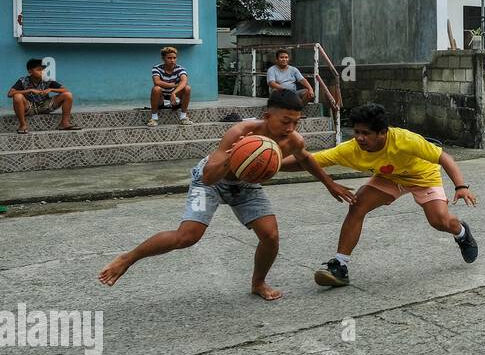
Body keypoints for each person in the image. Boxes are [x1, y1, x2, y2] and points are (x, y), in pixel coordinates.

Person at [97, 90, 353, 301]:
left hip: (245, 186)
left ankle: (258, 283)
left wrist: (330, 184)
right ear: (267, 116)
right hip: (210, 181)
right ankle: (128, 258)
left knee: (271, 236)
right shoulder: (240, 132)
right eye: (286, 121)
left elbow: (305, 159)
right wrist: (233, 157)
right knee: (187, 236)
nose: (291, 127)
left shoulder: (293, 140)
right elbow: (209, 177)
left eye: (296, 122)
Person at [281, 103, 479, 288]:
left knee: (439, 221)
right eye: (357, 132)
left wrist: (460, 186)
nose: (359, 138)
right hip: (389, 177)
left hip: (422, 176)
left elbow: (444, 157)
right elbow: (308, 161)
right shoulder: (351, 150)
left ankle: (462, 233)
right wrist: (274, 164)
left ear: (383, 133)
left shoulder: (405, 140)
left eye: (365, 133)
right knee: (358, 205)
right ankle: (339, 266)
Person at [9, 58, 76, 133]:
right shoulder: (23, 80)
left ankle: (64, 123)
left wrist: (51, 89)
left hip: (45, 105)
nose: (42, 72)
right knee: (17, 96)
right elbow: (10, 93)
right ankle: (23, 125)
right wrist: (29, 90)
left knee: (68, 95)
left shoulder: (47, 79)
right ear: (30, 71)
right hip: (29, 107)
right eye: (39, 70)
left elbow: (66, 90)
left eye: (43, 70)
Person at [149, 46, 191, 126]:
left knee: (187, 88)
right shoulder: (157, 68)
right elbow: (157, 82)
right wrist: (173, 85)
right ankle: (154, 118)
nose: (172, 60)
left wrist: (173, 93)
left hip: (175, 98)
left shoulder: (180, 69)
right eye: (169, 58)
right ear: (163, 58)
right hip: (161, 98)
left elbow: (184, 81)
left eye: (174, 58)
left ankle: (183, 117)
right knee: (156, 89)